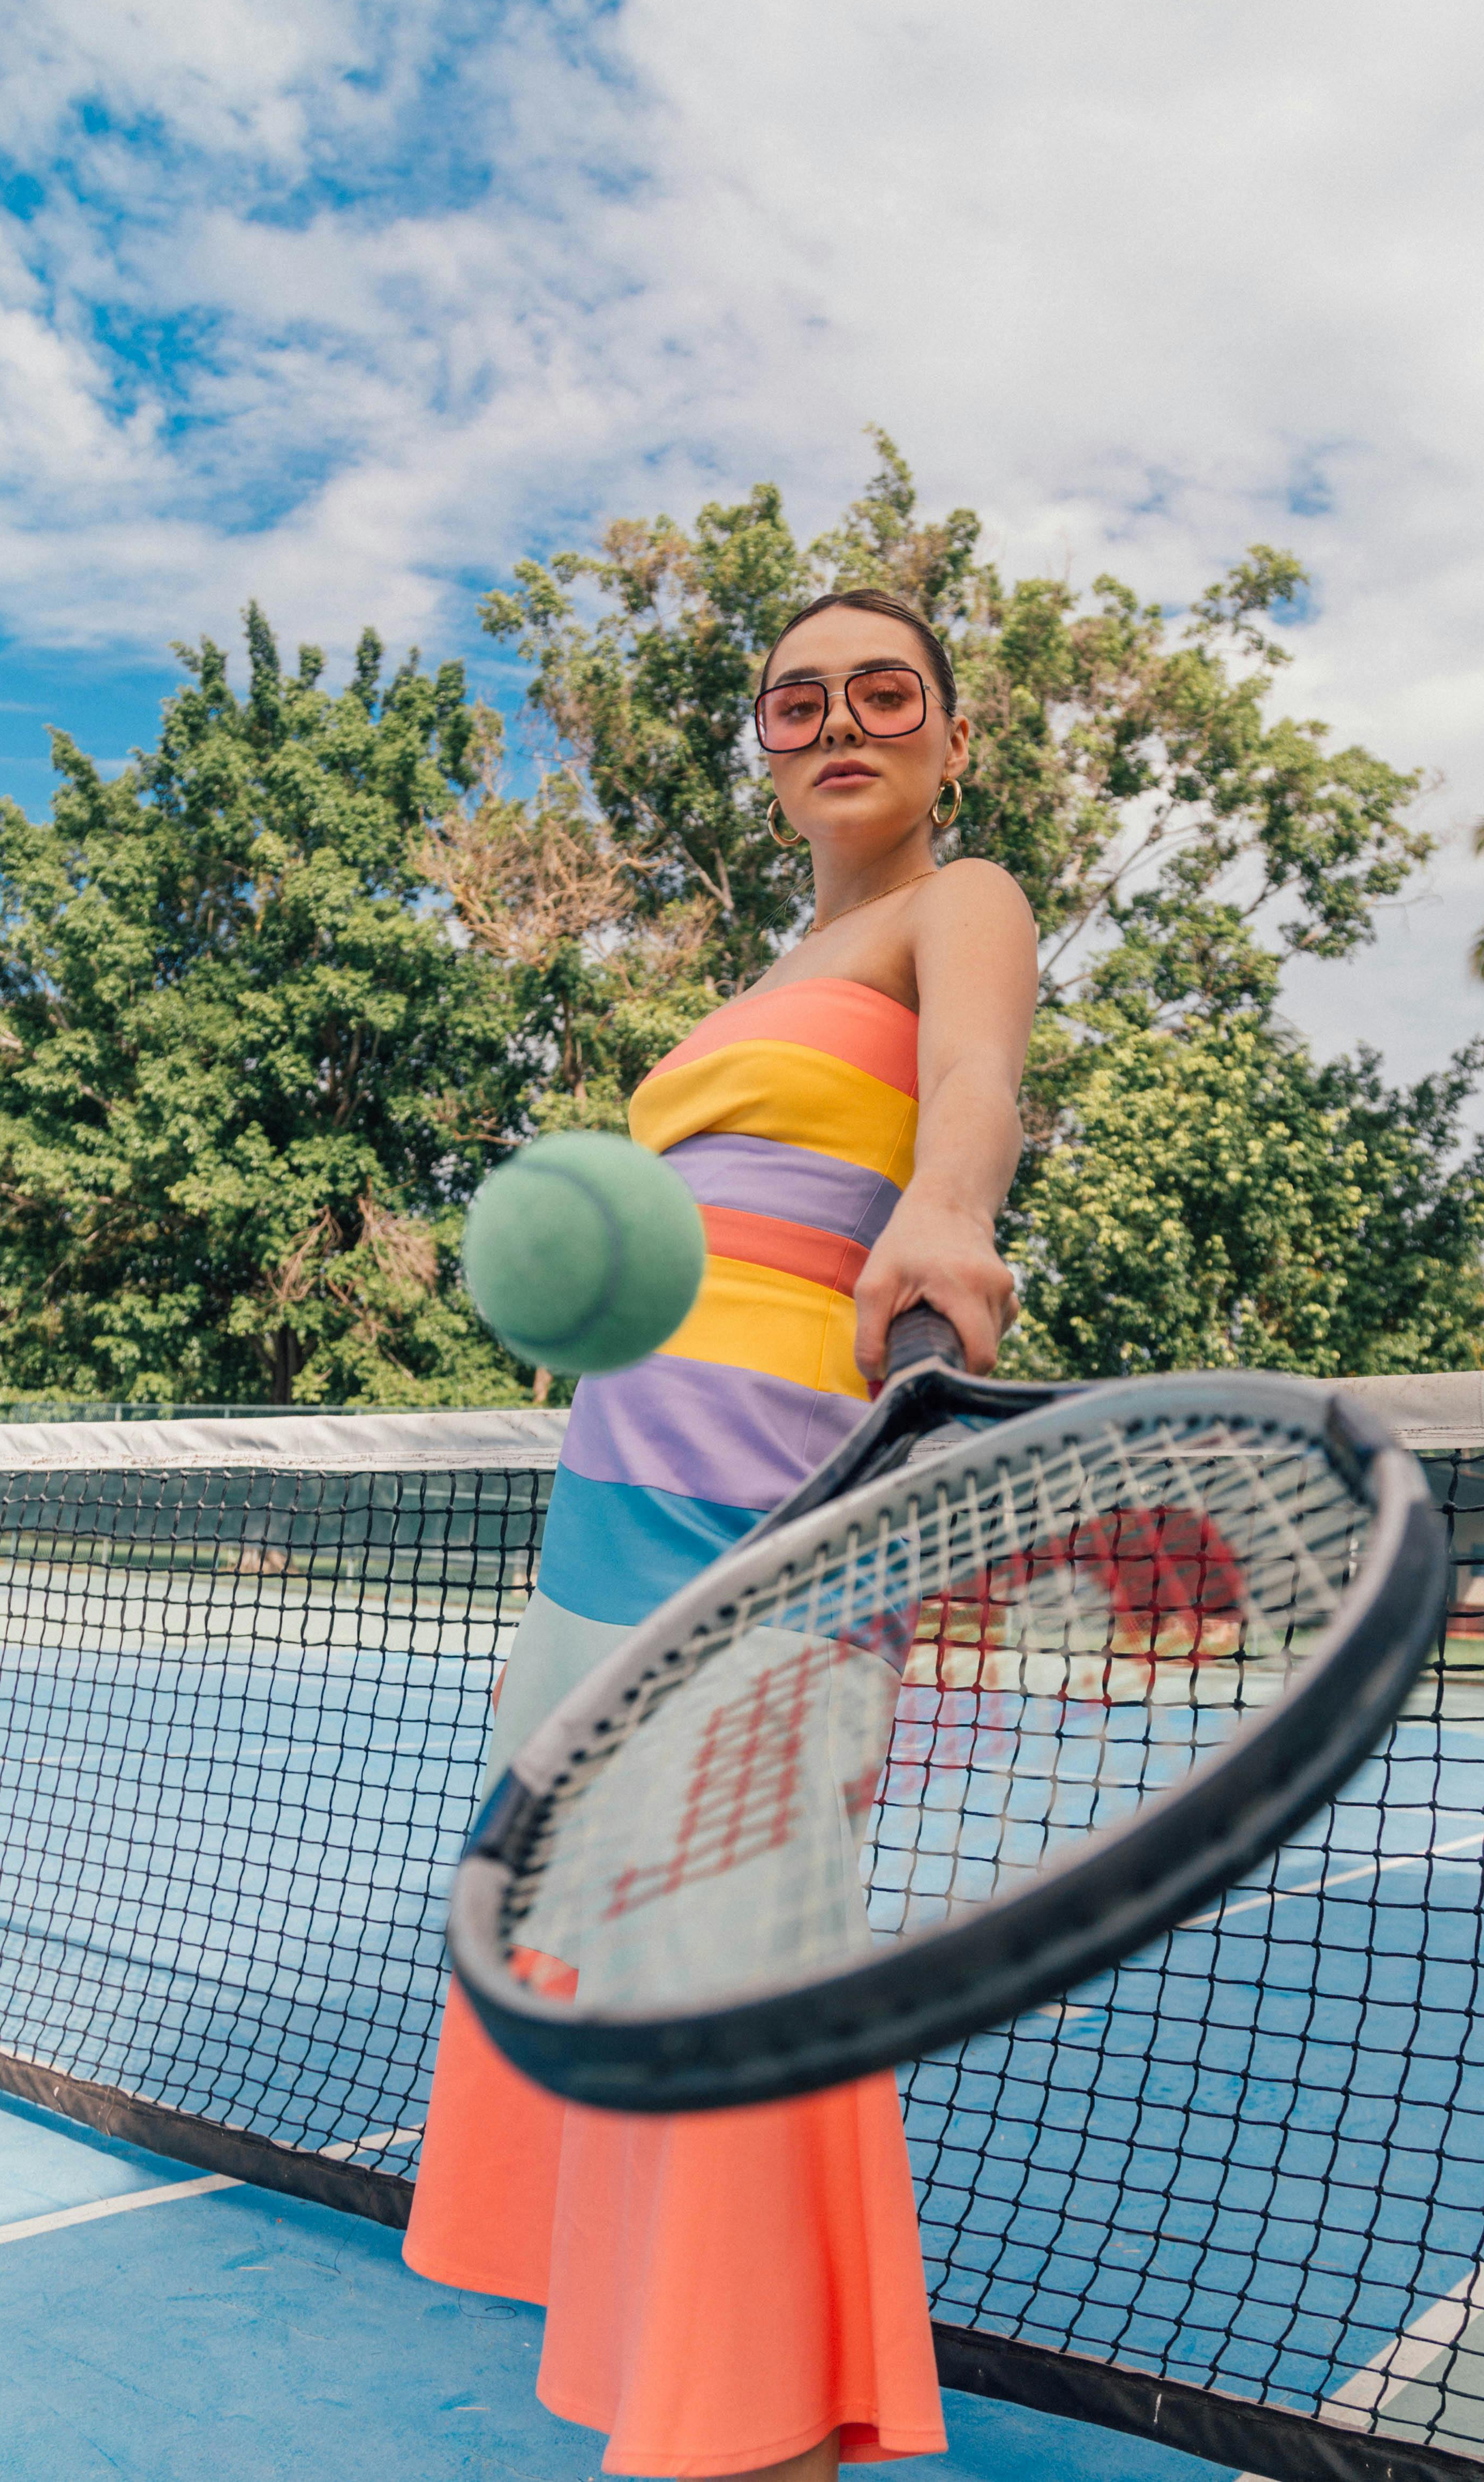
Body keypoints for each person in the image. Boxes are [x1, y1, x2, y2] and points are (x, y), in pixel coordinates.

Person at [405, 586, 1039, 2482]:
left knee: (734, 1945)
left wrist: (943, 1219)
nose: (837, 719)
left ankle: (751, 2425)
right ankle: (685, 2392)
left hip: (774, 1487)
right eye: (795, 699)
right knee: (594, 1922)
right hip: (608, 1493)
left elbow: (975, 1091)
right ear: (761, 746)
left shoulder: (963, 900)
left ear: (943, 733)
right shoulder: (758, 970)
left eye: (882, 691)